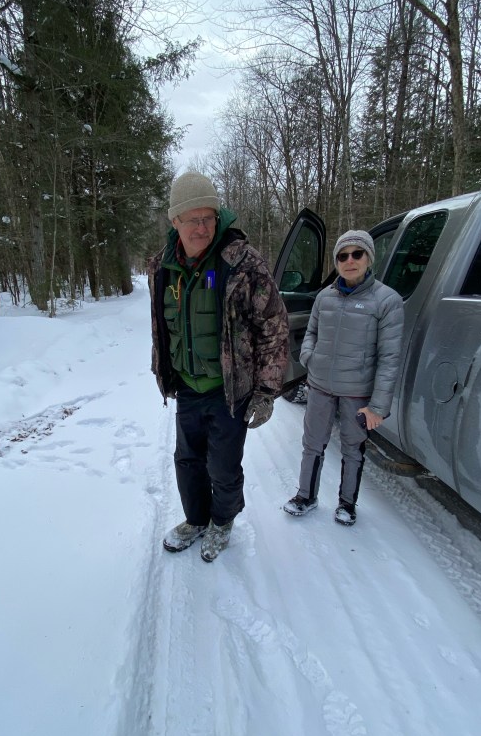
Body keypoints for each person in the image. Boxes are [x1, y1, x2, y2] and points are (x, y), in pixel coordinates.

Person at [149, 171, 289, 562]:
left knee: (223, 468)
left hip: (230, 392)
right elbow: (164, 325)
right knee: (187, 461)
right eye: (191, 219)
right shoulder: (162, 267)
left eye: (208, 217)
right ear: (174, 222)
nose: (202, 227)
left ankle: (222, 521)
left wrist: (266, 391)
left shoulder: (242, 263)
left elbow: (274, 327)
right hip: (187, 388)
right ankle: (196, 519)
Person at [283, 229, 404, 526]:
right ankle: (305, 495)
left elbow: (389, 359)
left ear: (368, 258)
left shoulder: (387, 301)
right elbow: (310, 332)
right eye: (342, 256)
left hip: (356, 392)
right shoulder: (324, 297)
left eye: (357, 254)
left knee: (353, 448)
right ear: (336, 261)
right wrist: (309, 357)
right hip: (320, 386)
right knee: (312, 443)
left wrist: (378, 407)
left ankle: (347, 504)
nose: (350, 260)